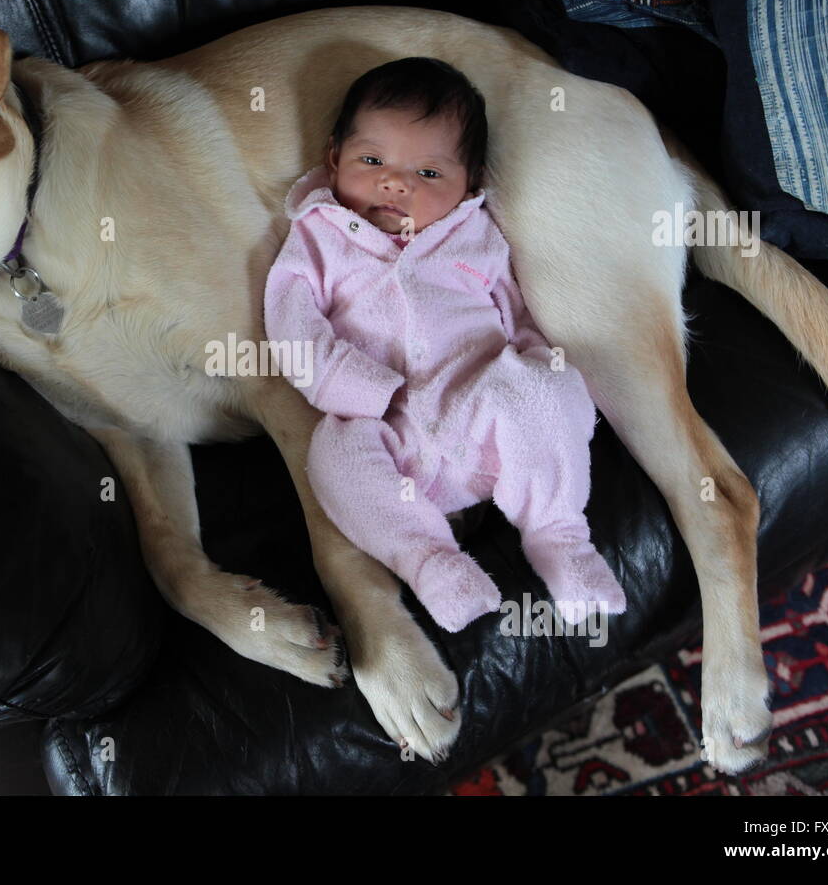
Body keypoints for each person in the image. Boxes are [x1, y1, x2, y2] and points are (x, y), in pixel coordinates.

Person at [263, 57, 626, 633]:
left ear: (469, 185)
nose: (396, 183)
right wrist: (360, 390)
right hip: (386, 428)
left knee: (542, 388)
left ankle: (558, 537)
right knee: (332, 459)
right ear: (334, 158)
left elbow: (518, 313)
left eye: (429, 174)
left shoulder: (474, 236)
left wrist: (536, 365)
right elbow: (293, 328)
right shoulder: (318, 236)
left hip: (482, 412)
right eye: (372, 160)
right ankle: (434, 565)